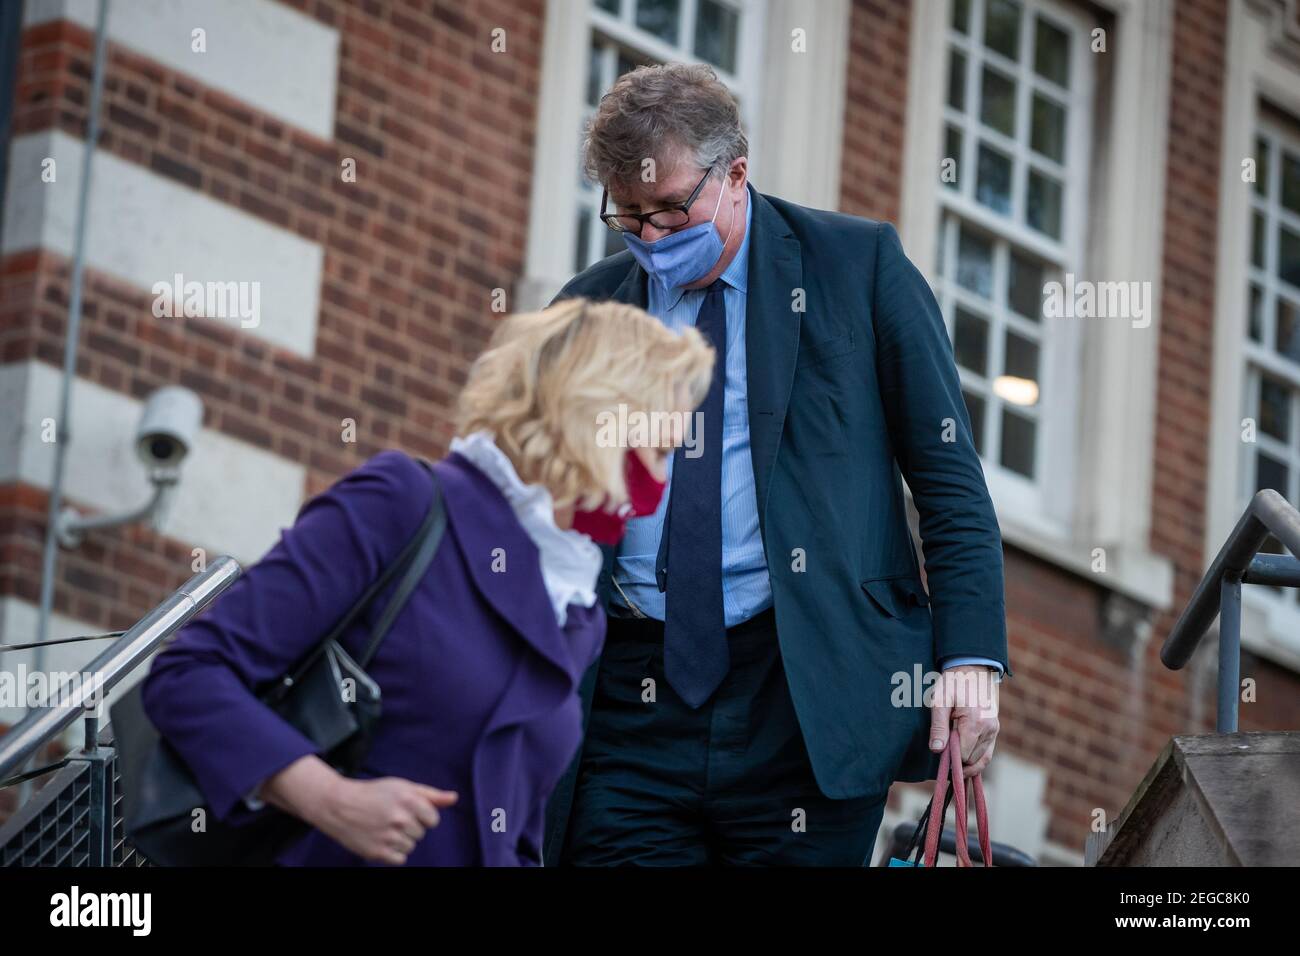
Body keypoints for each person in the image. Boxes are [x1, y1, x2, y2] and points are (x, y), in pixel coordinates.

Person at [543, 63, 1010, 867]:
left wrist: (970, 658)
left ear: (736, 173)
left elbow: (948, 480)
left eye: (671, 210)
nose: (650, 238)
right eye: (628, 217)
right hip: (629, 707)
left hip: (804, 698)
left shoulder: (857, 268)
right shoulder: (588, 310)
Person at [140, 298, 714, 866]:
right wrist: (330, 798)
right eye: (659, 450)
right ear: (593, 417)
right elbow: (188, 675)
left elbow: (511, 831)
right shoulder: (402, 502)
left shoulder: (577, 604)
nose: (661, 480)